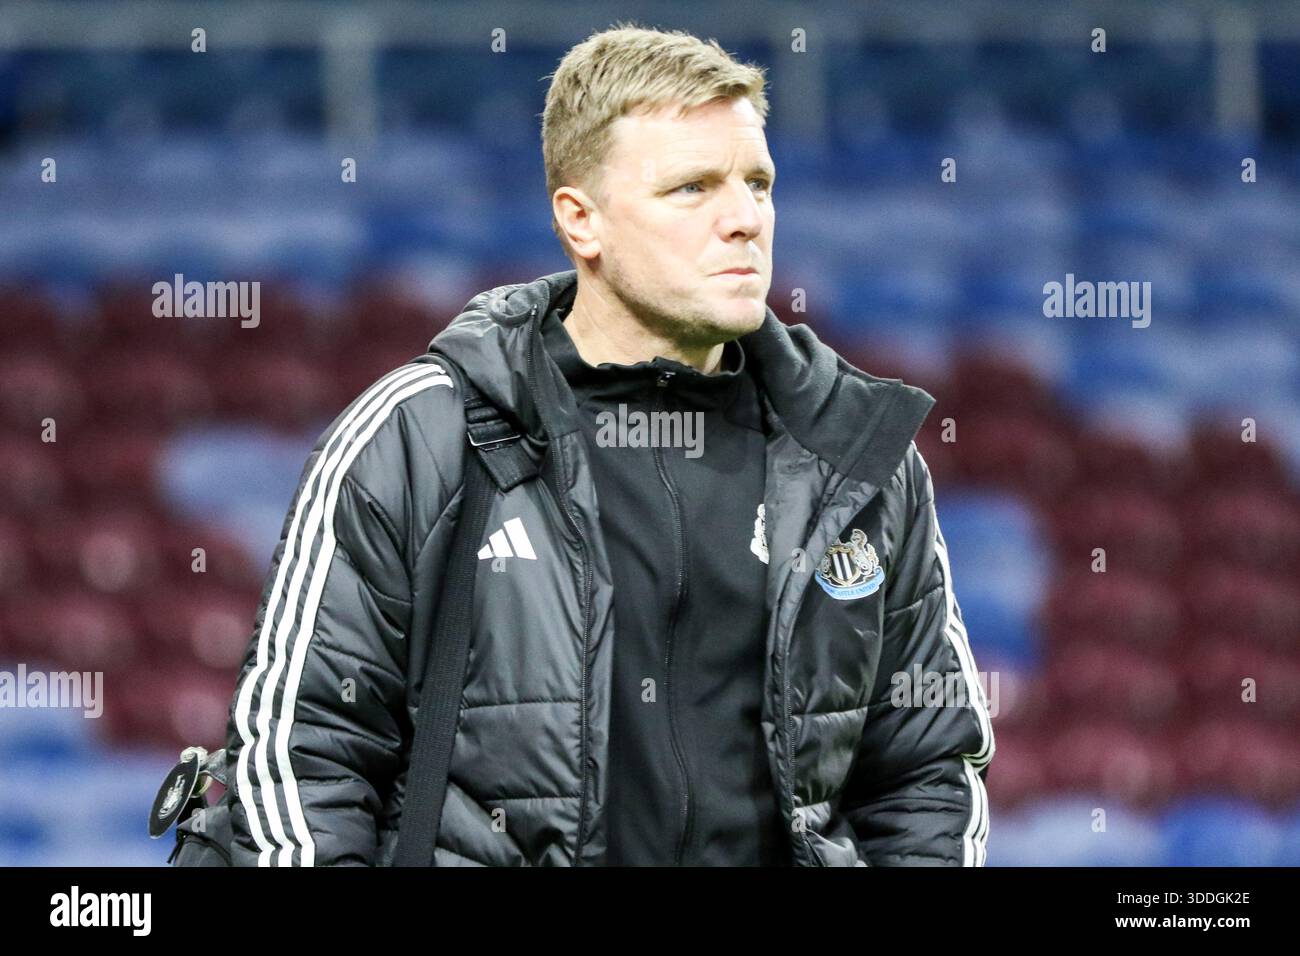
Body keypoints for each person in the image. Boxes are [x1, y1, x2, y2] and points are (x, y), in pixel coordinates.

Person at [222, 22, 994, 867]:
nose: (745, 218)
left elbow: (926, 771)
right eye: (694, 188)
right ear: (581, 220)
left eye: (758, 182)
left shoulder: (853, 454)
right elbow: (302, 756)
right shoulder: (422, 437)